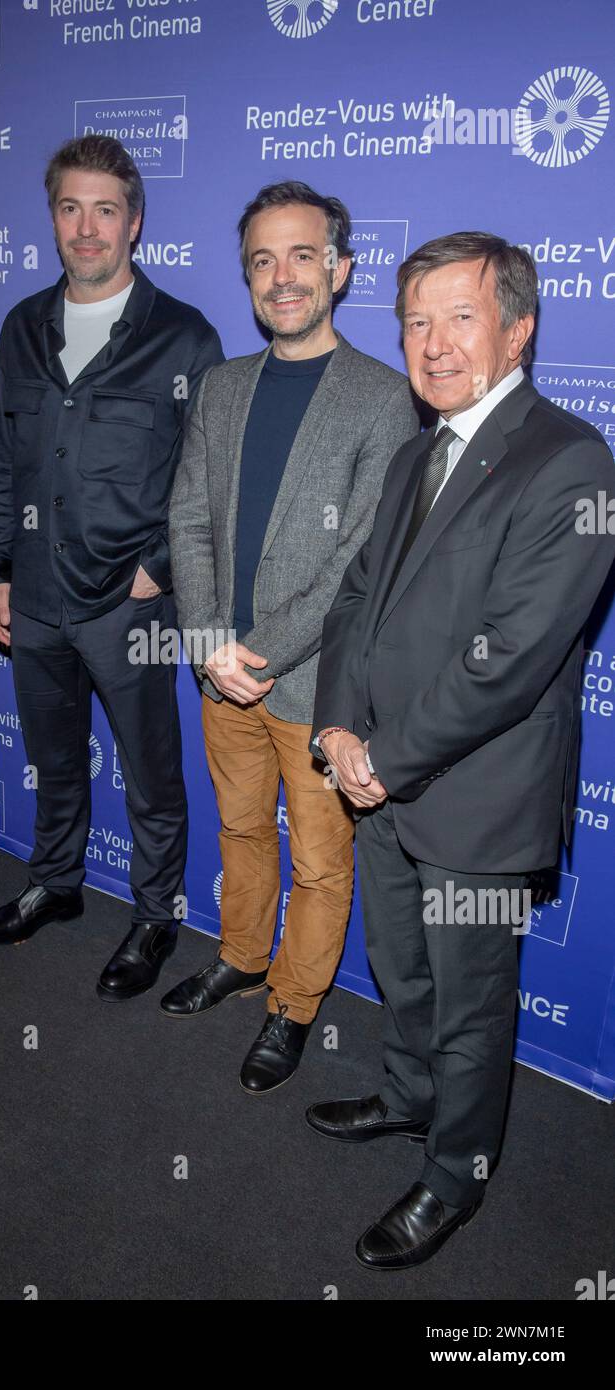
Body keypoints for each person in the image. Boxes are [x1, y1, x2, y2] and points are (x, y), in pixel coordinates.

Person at [308, 231, 615, 1269]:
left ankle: (455, 1176)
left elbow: (512, 660)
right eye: (413, 321)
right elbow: (357, 603)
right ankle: (406, 1100)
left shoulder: (572, 460)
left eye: (458, 317)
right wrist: (338, 728)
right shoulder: (412, 449)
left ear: (517, 327)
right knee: (399, 966)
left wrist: (384, 755)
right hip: (378, 777)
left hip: (475, 800)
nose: (431, 344)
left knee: (473, 1004)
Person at [164, 182, 419, 1093]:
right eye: (264, 260)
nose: (283, 277)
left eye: (303, 256)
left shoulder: (386, 401)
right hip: (217, 674)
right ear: (248, 275)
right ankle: (239, 954)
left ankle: (294, 1005)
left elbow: (355, 565)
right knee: (239, 830)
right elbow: (188, 514)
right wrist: (205, 639)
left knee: (319, 865)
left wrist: (252, 654)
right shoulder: (224, 386)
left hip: (312, 690)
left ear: (341, 270)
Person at [0, 136, 224, 1001]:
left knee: (153, 772)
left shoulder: (183, 336)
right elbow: (2, 459)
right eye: (70, 208)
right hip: (35, 597)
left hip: (131, 607)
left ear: (135, 222)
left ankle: (156, 915)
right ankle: (57, 882)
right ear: (52, 219)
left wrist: (159, 568)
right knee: (53, 757)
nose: (87, 228)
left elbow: (207, 474)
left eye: (105, 210)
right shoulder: (21, 326)